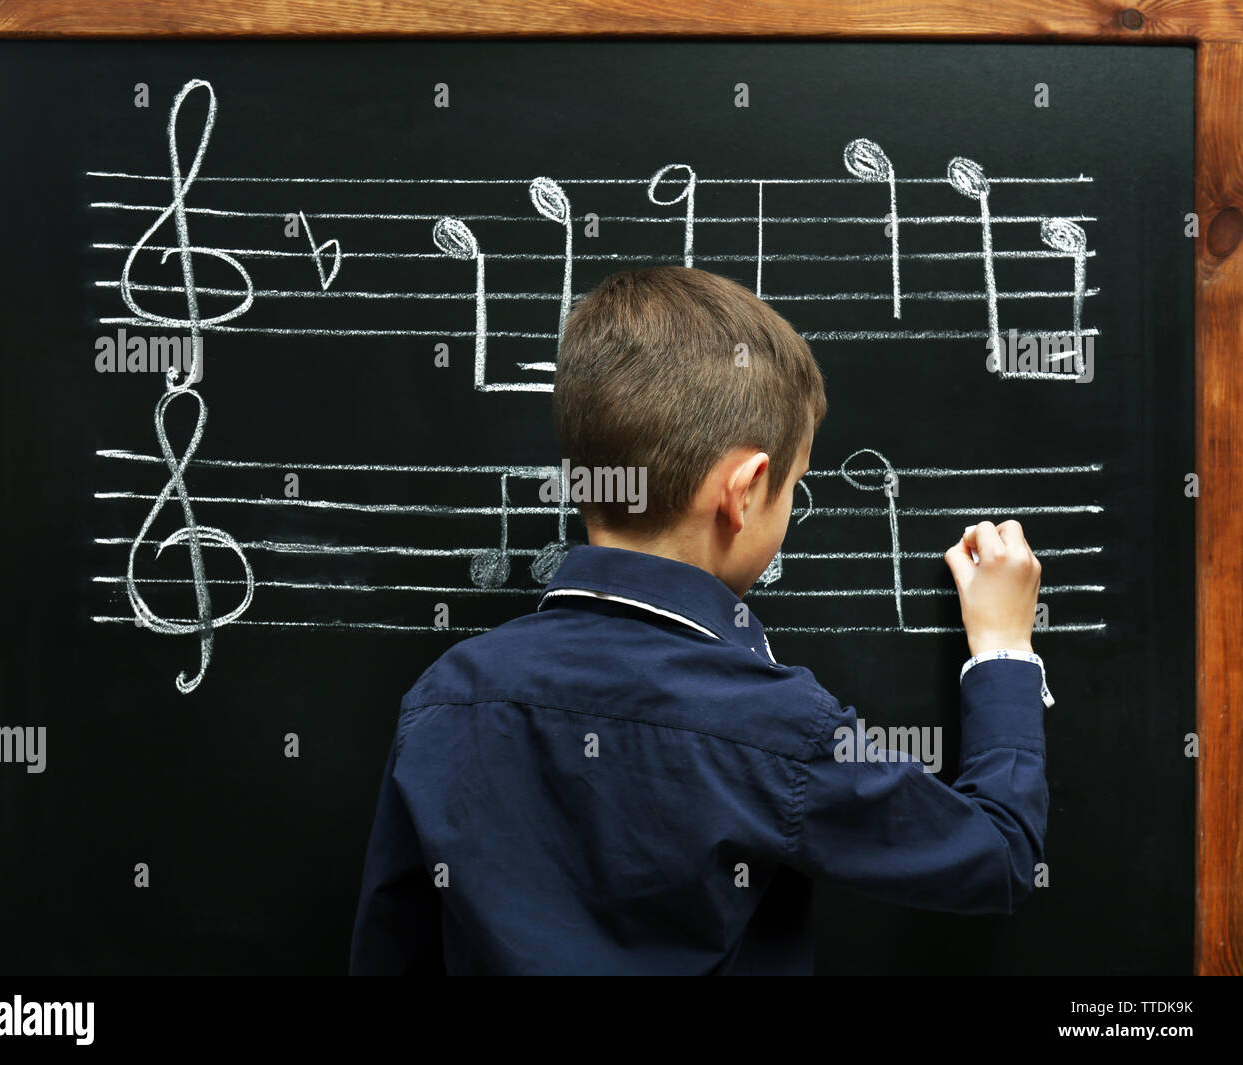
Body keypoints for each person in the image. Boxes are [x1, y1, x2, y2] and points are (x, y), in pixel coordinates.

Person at [349, 266, 1048, 975]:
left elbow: (390, 947)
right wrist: (1003, 652)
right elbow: (997, 854)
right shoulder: (780, 726)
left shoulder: (443, 696)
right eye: (793, 488)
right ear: (742, 492)